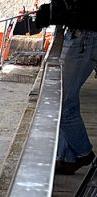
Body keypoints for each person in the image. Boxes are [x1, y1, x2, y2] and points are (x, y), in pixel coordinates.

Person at [37, 1, 97, 175]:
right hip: (82, 34)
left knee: (61, 102)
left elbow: (81, 8)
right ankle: (67, 158)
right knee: (65, 98)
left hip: (85, 37)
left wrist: (53, 12)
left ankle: (83, 152)